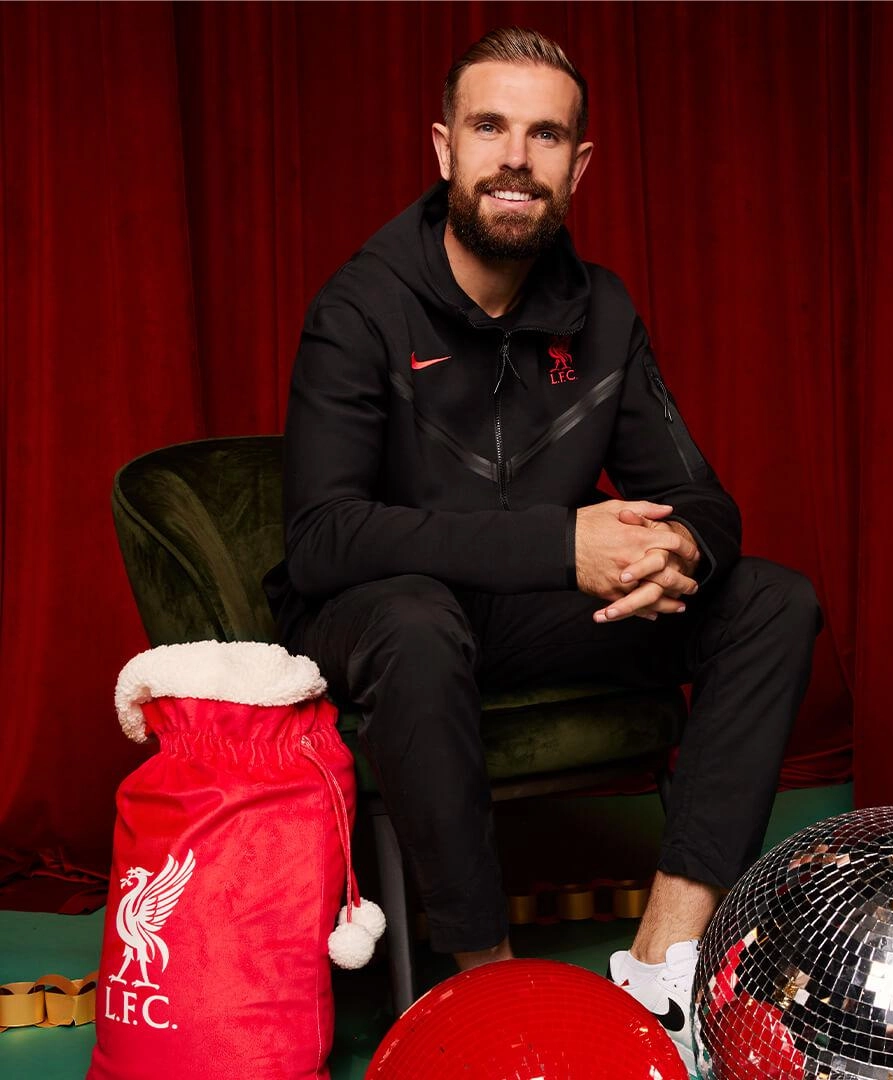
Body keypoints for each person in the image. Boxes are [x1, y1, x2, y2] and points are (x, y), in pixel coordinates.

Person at [266, 27, 820, 1072]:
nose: (516, 156)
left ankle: (666, 966)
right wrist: (564, 542)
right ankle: (492, 989)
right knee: (417, 621)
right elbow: (322, 537)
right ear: (444, 148)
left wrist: (680, 555)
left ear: (579, 164)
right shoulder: (360, 307)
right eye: (491, 127)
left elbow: (703, 497)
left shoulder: (601, 309)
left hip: (523, 616)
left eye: (545, 133)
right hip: (383, 616)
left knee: (772, 601)